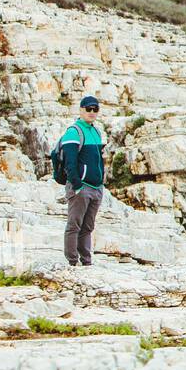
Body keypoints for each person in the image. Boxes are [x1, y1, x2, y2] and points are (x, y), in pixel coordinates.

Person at [61, 95, 106, 266]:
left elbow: (99, 159)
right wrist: (77, 185)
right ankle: (72, 262)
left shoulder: (95, 131)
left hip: (96, 187)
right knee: (74, 225)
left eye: (95, 109)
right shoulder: (74, 131)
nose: (92, 112)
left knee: (88, 227)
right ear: (81, 110)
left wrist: (101, 183)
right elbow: (69, 163)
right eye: (88, 109)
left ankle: (86, 261)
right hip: (81, 187)